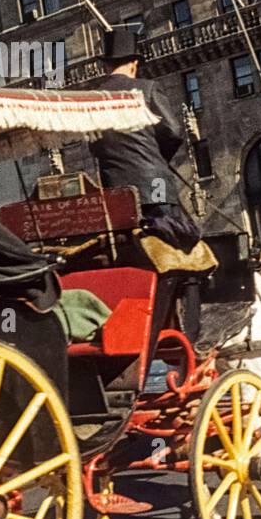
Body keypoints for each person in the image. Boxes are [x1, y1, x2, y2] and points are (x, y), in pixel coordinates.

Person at [91, 26, 208, 344]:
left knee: (133, 257)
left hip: (117, 198)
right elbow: (172, 131)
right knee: (193, 256)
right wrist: (156, 158)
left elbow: (95, 147)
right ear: (134, 64)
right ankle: (188, 336)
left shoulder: (93, 98)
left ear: (106, 65)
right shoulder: (147, 89)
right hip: (155, 190)